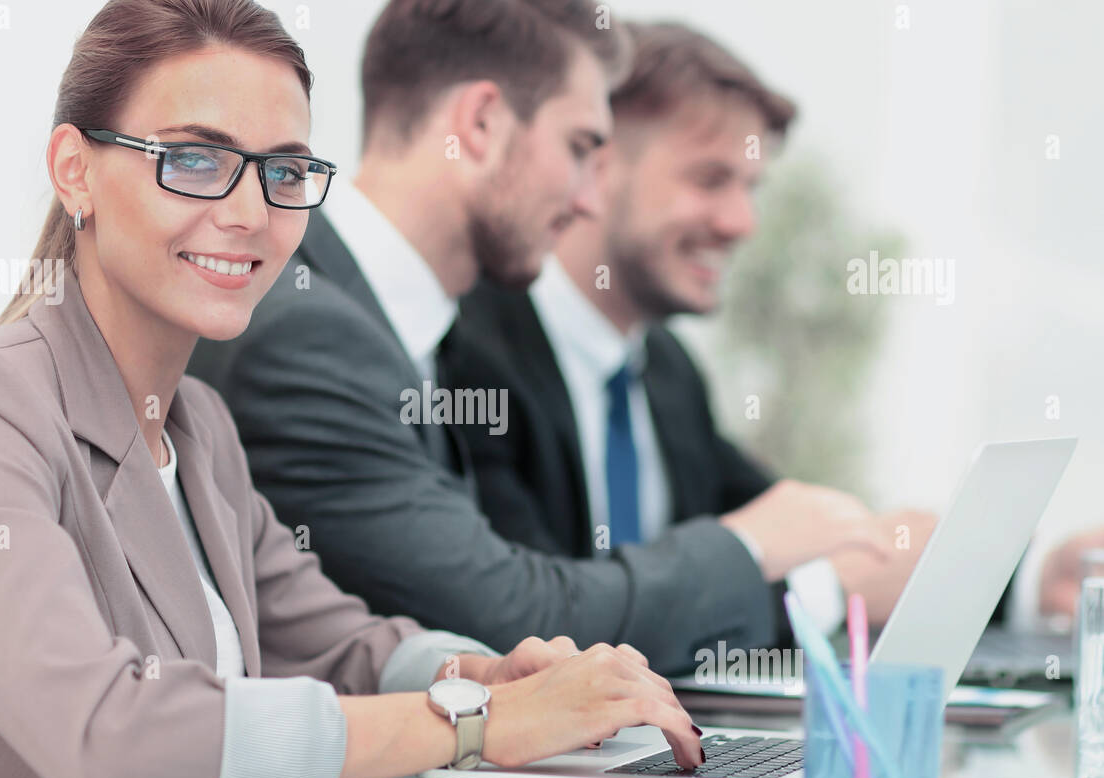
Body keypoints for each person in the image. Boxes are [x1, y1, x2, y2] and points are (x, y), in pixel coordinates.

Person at [0, 0, 704, 778]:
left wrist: (481, 672)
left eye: (283, 171)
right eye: (194, 160)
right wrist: (478, 723)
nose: (248, 211)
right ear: (74, 172)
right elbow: (109, 738)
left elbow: (339, 646)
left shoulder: (197, 428)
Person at [189, 0, 895, 675]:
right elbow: (510, 622)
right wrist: (751, 547)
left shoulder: (406, 330)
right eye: (581, 147)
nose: (590, 196)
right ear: (484, 123)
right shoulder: (308, 336)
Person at [446, 22, 935, 630]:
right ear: (596, 165)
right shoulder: (465, 352)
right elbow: (539, 620)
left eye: (751, 188)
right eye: (710, 180)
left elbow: (797, 527)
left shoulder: (667, 373)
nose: (742, 222)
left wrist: (1020, 578)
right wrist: (820, 593)